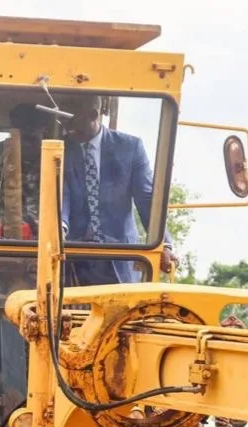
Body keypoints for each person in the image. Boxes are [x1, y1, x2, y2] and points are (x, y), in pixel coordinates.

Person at [58, 95, 170, 287]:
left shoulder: (130, 148)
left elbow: (146, 198)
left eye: (72, 120)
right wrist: (59, 228)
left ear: (93, 115)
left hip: (119, 252)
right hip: (74, 254)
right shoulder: (60, 148)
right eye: (63, 119)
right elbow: (62, 193)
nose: (67, 126)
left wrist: (164, 243)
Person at [0, 103, 50, 237]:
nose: (28, 131)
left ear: (44, 128)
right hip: (10, 239)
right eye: (22, 128)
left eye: (34, 127)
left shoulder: (53, 155)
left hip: (48, 240)